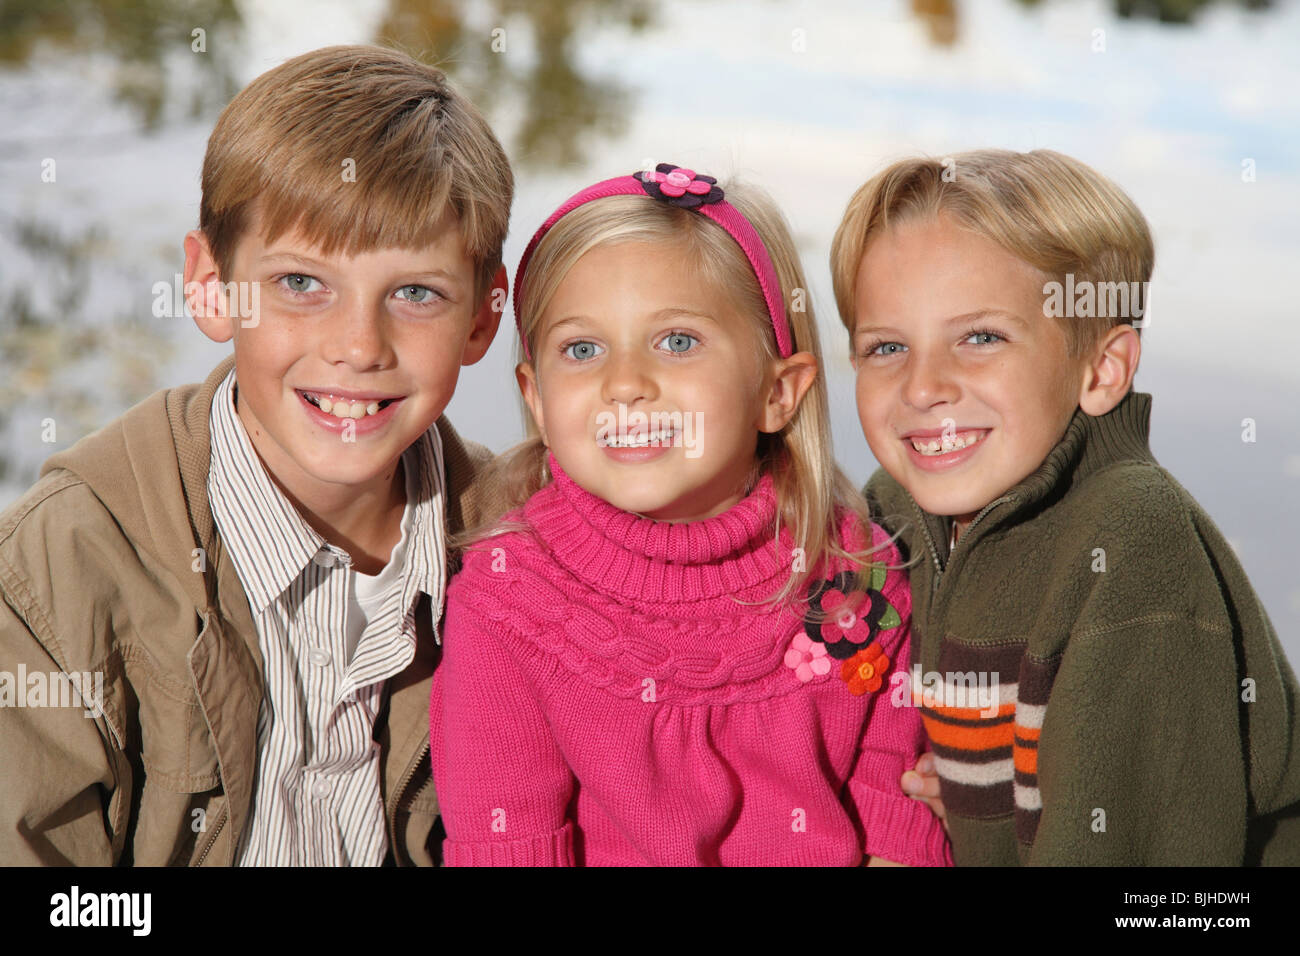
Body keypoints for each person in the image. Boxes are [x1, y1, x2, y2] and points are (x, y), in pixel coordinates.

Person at [0, 45, 512, 866]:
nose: (357, 347)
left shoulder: (521, 555)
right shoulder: (63, 564)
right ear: (209, 286)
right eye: (301, 284)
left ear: (484, 319)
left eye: (416, 293)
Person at [429, 164, 952, 866]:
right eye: (582, 350)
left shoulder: (851, 580)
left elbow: (890, 812)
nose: (624, 385)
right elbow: (507, 845)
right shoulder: (508, 601)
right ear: (538, 400)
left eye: (677, 341)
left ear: (777, 391)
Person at [832, 148, 1300, 865]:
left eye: (980, 338)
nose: (923, 386)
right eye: (887, 346)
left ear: (1101, 369)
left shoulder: (1132, 544)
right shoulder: (892, 508)